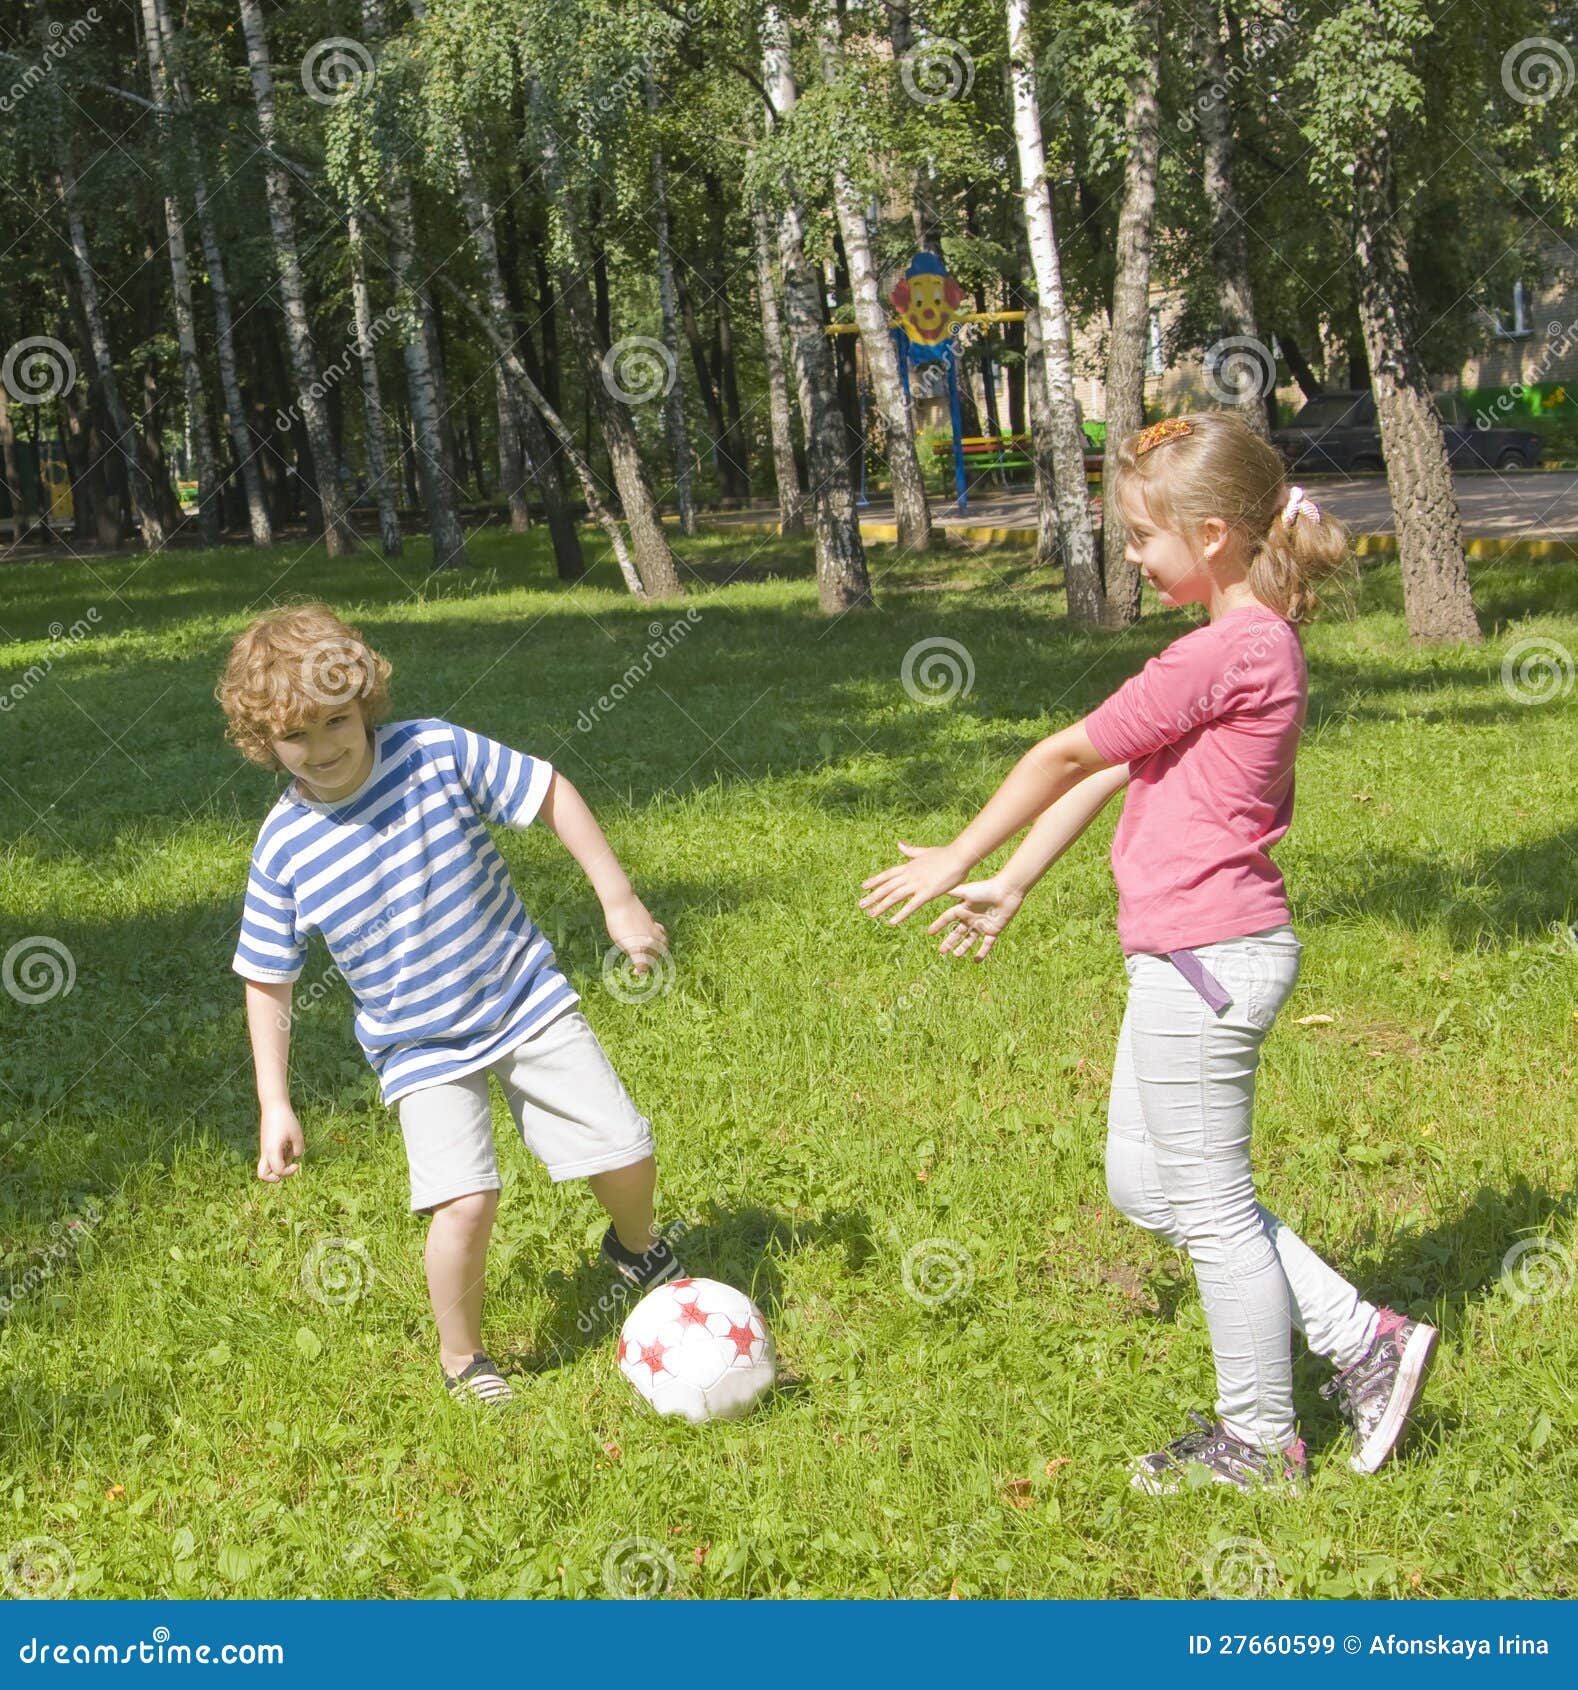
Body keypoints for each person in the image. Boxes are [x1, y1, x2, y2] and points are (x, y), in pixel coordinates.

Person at [859, 411, 1437, 1492]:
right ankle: (1363, 1333)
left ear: (1212, 534)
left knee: (1213, 1210)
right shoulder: (1234, 645)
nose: (1129, 554)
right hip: (1187, 957)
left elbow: (1064, 746)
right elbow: (1109, 770)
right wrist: (1013, 880)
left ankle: (1261, 1441)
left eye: (1139, 536)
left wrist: (953, 851)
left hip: (1209, 958)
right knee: (1144, 1183)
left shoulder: (1232, 647)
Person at [218, 602, 683, 1406]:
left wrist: (620, 900)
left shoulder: (434, 750)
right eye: (299, 736)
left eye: (338, 720)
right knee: (464, 1203)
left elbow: (550, 793)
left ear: (364, 699)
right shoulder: (284, 846)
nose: (324, 748)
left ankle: (636, 1249)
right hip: (418, 1045)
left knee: (625, 1148)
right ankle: (464, 1359)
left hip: (522, 994)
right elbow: (268, 978)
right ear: (265, 744)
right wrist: (274, 1101)